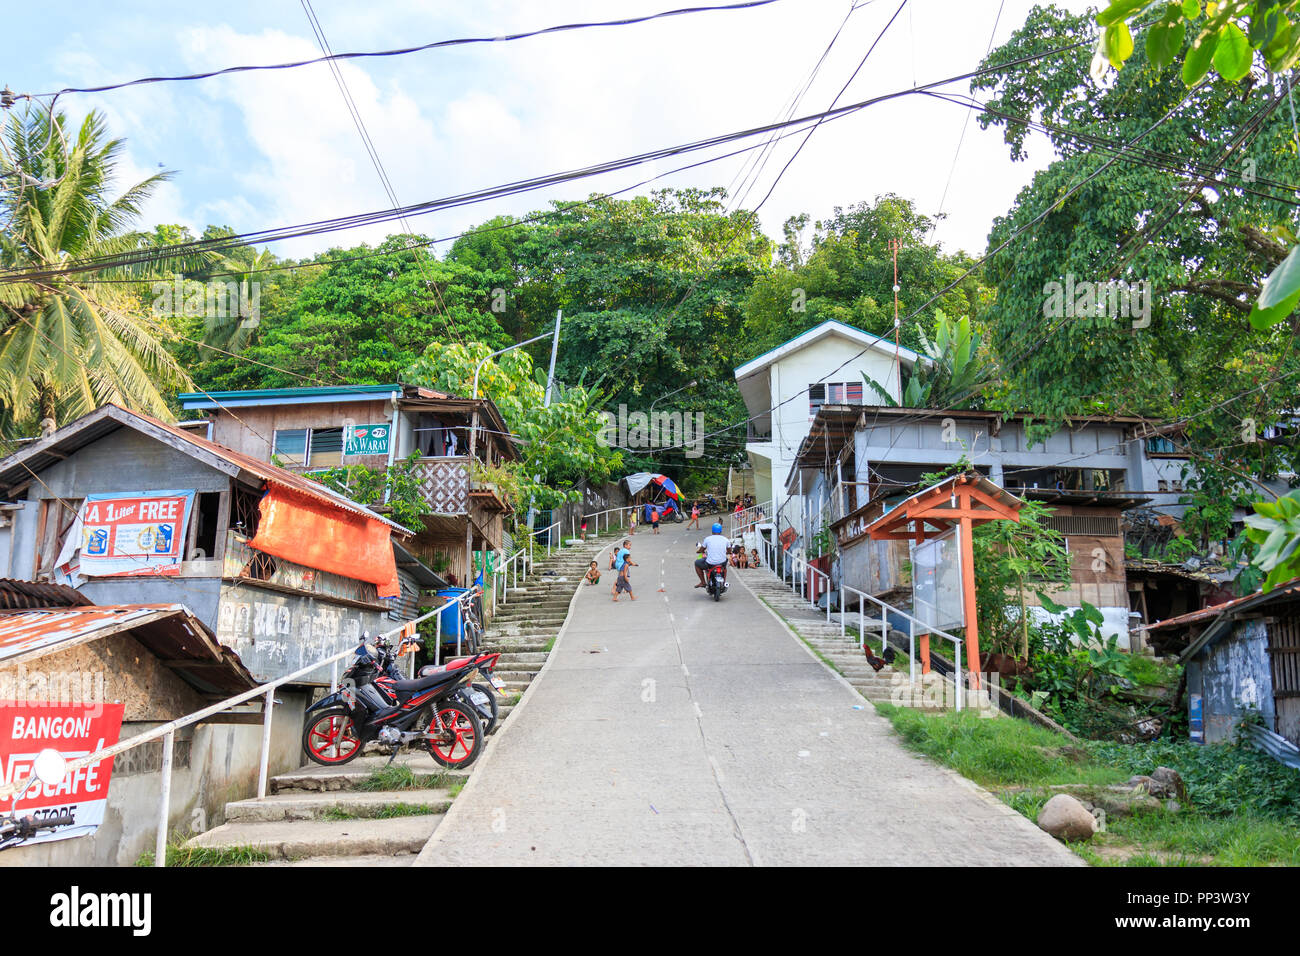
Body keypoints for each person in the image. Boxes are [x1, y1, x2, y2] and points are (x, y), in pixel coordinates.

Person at [695, 522, 730, 589]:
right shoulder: (726, 540)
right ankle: (724, 582)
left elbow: (702, 549)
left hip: (710, 563)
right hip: (722, 563)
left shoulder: (707, 539)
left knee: (697, 563)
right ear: (720, 531)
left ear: (712, 531)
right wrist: (727, 552)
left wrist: (699, 551)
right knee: (724, 568)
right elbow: (729, 551)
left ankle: (703, 582)